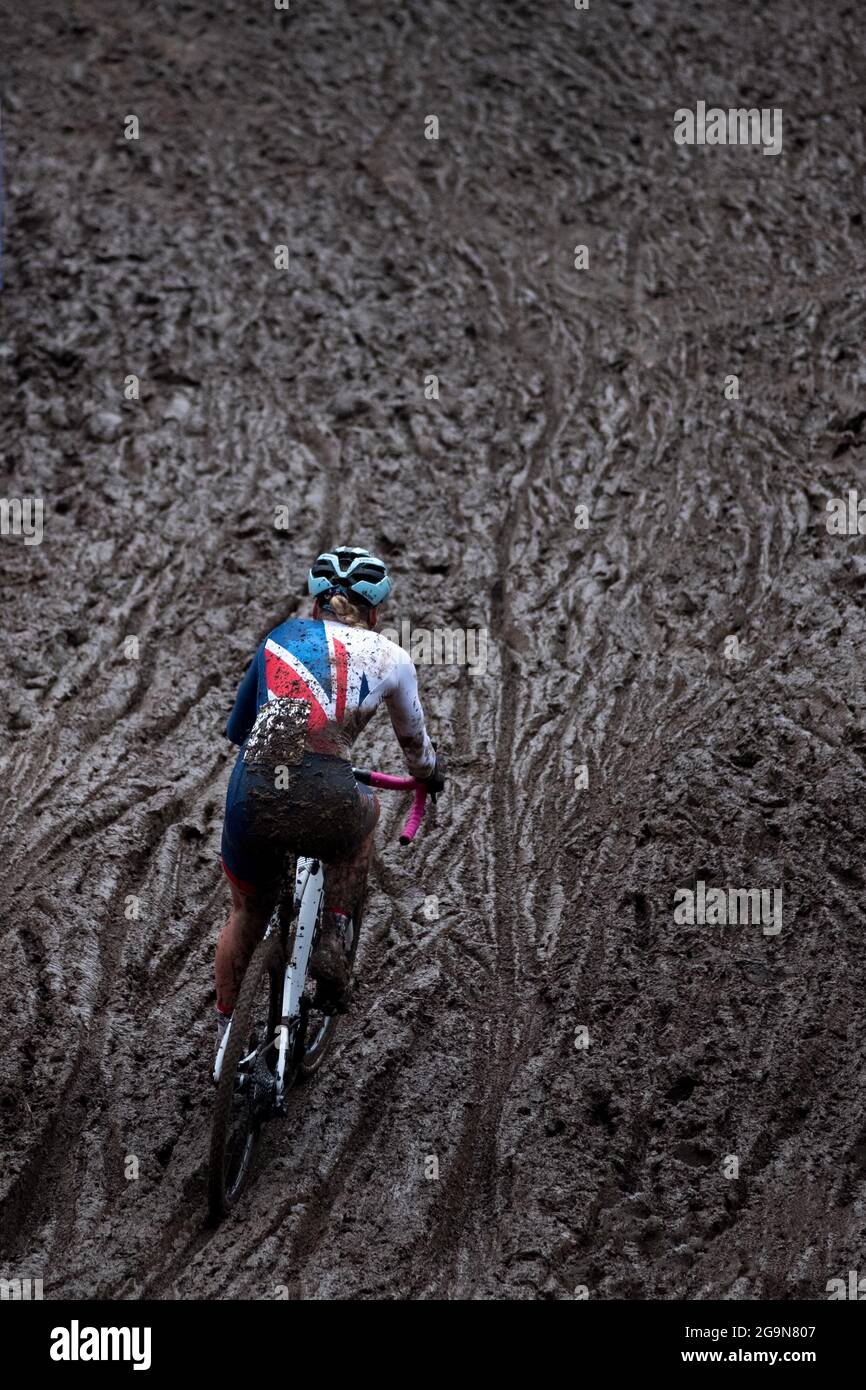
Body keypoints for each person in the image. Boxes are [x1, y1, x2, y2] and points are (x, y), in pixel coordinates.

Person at [214, 547, 444, 1047]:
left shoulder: (279, 638)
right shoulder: (392, 657)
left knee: (246, 912)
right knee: (364, 817)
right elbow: (416, 753)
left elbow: (238, 732)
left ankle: (225, 1035)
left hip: (252, 788)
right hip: (327, 792)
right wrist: (431, 776)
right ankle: (336, 937)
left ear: (314, 603)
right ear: (375, 613)